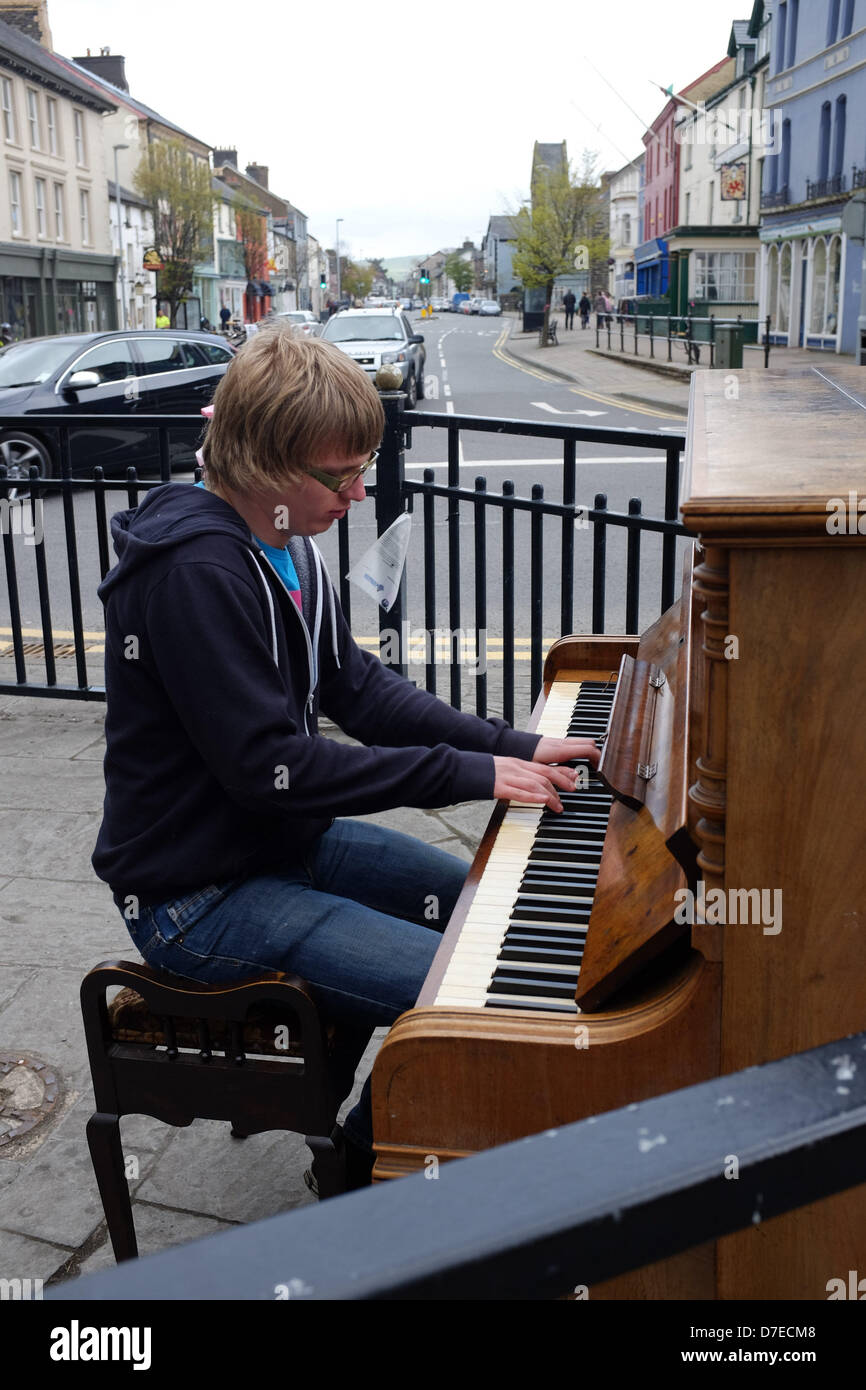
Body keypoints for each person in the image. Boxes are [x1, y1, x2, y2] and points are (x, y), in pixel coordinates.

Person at [91, 327, 599, 1188]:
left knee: (477, 913)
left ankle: (387, 1140)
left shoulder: (284, 541)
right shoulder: (194, 575)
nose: (359, 494)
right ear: (260, 459)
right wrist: (465, 774)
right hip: (195, 898)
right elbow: (270, 766)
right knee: (462, 1003)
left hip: (279, 844)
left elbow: (356, 689)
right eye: (341, 475)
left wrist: (514, 744)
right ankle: (359, 1168)